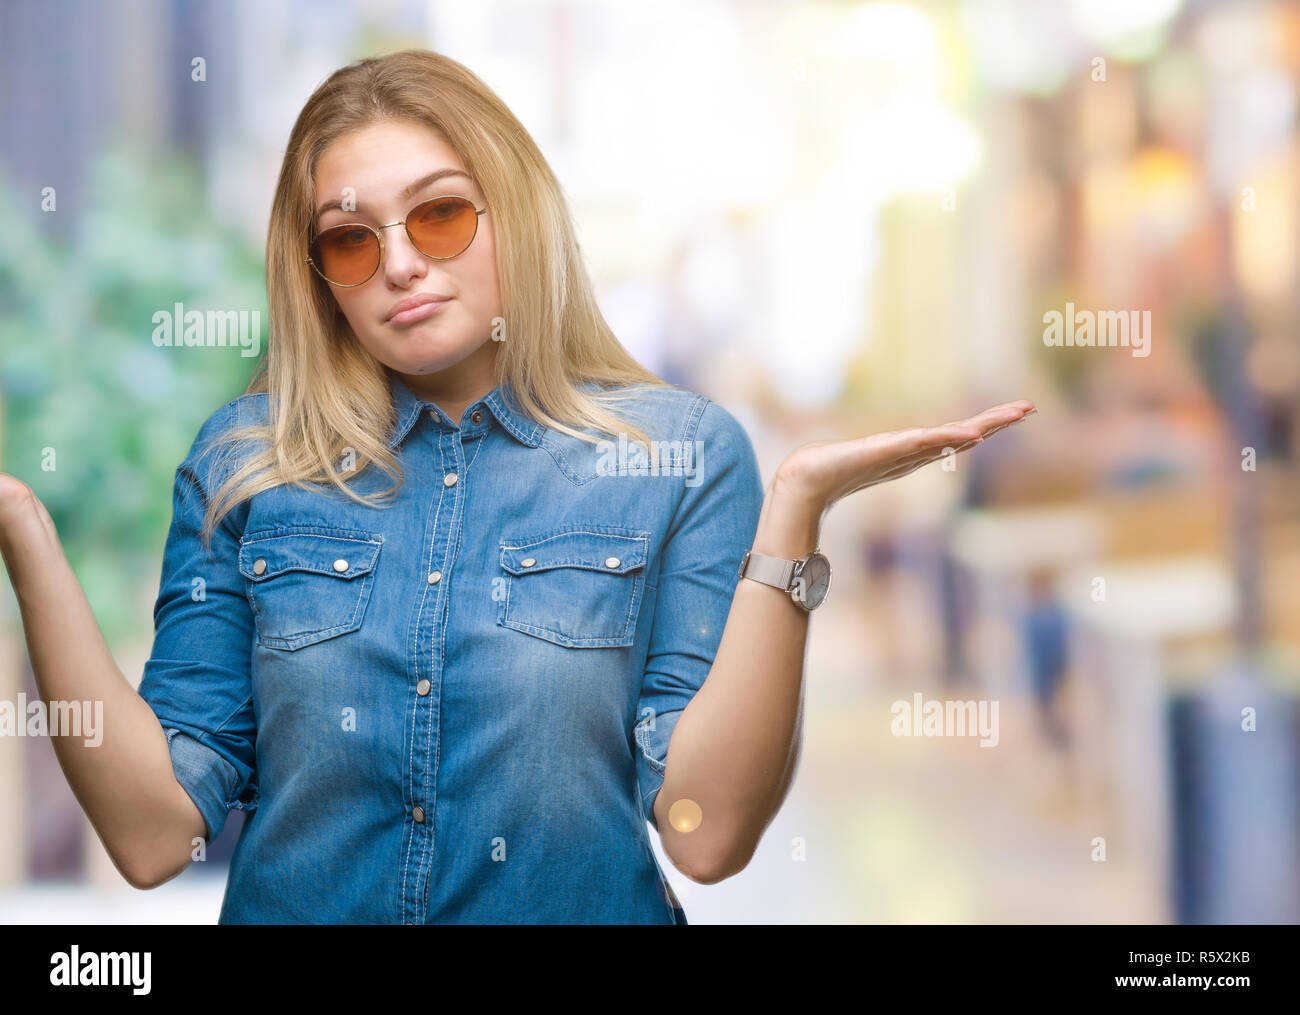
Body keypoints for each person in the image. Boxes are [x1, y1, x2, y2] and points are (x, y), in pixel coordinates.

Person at [0, 49, 1035, 924]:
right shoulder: (246, 461)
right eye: (351, 239)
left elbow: (708, 834)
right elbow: (149, 834)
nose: (399, 263)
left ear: (518, 216)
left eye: (441, 216)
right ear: (318, 274)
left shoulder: (676, 455)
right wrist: (22, 525)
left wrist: (793, 522)